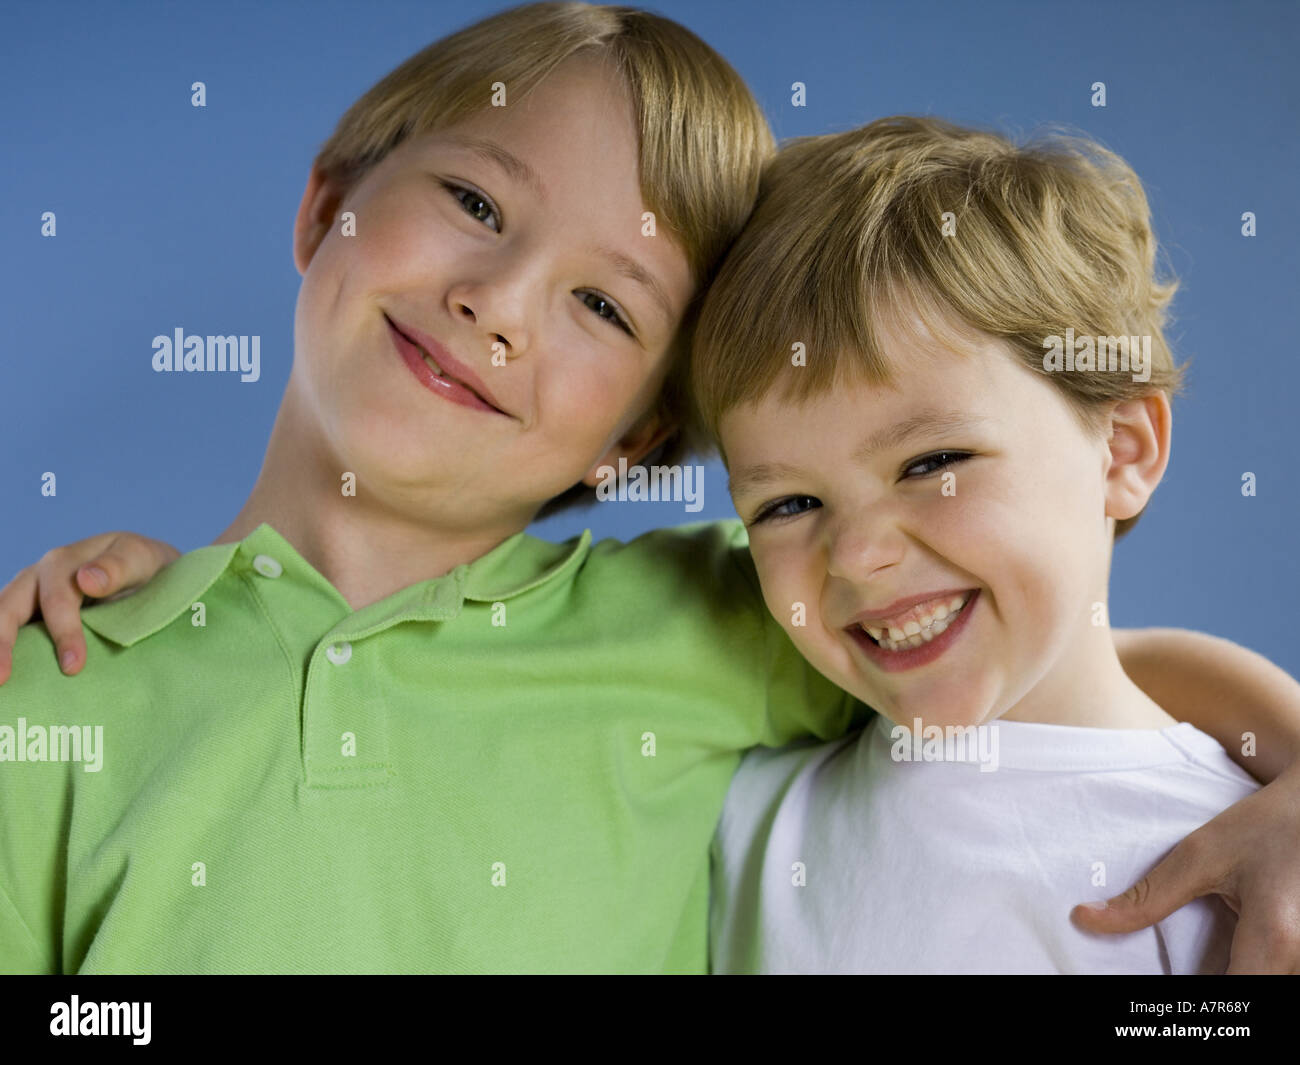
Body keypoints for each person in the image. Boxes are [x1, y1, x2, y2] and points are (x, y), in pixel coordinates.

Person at [3, 9, 1300, 973]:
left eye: (602, 304)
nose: (497, 308)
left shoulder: (716, 622)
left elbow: (1061, 667)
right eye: (471, 198)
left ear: (640, 439)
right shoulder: (59, 682)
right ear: (327, 199)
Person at [688, 116, 1283, 972]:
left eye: (933, 462)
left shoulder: (1237, 873)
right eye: (787, 503)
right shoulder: (746, 808)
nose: (856, 553)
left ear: (1122, 450)